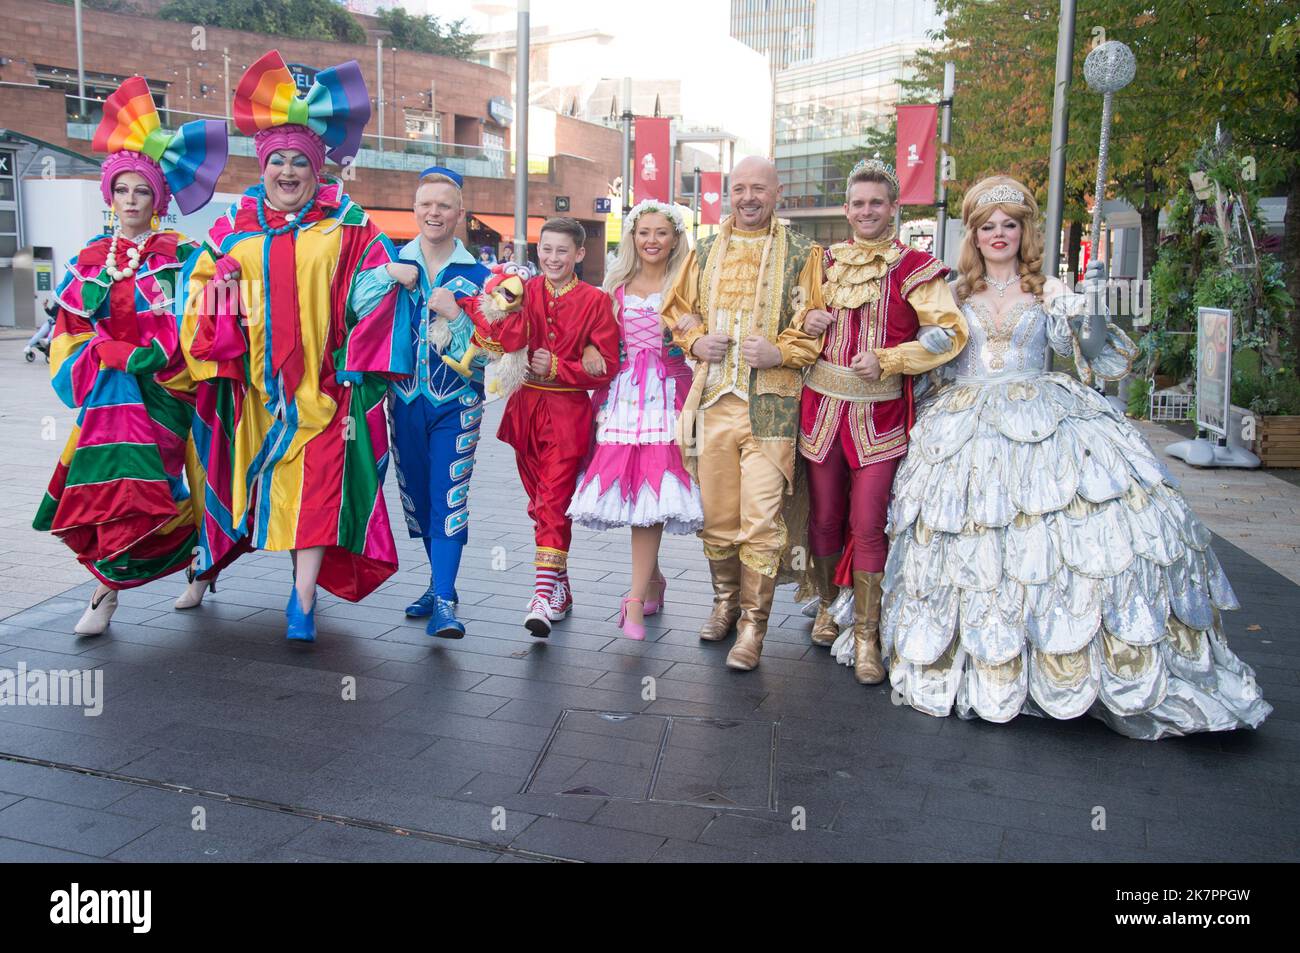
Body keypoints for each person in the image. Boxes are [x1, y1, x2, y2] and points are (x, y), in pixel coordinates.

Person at [881, 175, 1272, 738]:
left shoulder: (1050, 291)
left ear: (1024, 231)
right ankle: (985, 655)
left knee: (1086, 530)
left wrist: (1086, 314)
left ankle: (1085, 656)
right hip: (963, 426)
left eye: (1009, 225)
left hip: (1047, 412)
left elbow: (1087, 355)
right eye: (988, 227)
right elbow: (934, 355)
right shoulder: (952, 295)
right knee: (970, 537)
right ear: (973, 234)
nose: (999, 235)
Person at [178, 50, 410, 643]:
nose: (287, 171)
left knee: (315, 492)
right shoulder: (234, 225)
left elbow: (370, 288)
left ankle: (302, 599)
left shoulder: (348, 223)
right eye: (276, 160)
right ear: (263, 168)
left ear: (316, 169)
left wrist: (391, 284)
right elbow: (199, 296)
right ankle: (214, 569)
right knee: (261, 491)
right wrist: (222, 293)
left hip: (324, 389)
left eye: (298, 162)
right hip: (255, 392)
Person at [33, 76, 227, 634]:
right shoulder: (89, 259)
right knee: (109, 483)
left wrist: (155, 353)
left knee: (155, 485)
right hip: (107, 395)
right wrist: (103, 354)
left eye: (142, 192)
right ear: (110, 195)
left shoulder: (188, 256)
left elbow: (203, 316)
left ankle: (192, 563)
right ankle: (110, 590)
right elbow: (68, 330)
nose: (132, 201)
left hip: (169, 390)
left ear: (159, 199)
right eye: (122, 190)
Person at [798, 159, 967, 685]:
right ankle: (829, 607)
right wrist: (806, 321)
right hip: (822, 408)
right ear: (846, 209)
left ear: (894, 208)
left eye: (877, 202)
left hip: (881, 415)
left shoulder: (916, 266)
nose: (867, 211)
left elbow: (948, 334)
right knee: (824, 518)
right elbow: (792, 329)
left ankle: (867, 634)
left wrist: (892, 358)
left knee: (868, 522)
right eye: (858, 203)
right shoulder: (821, 263)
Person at [662, 156, 825, 671]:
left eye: (759, 188)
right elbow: (678, 308)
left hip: (771, 409)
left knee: (760, 521)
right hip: (712, 403)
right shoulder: (705, 250)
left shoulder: (803, 252)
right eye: (739, 189)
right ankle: (724, 604)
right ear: (728, 194)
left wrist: (780, 352)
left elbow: (815, 321)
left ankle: (755, 626)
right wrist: (694, 338)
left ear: (777, 193)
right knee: (719, 518)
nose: (748, 197)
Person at [351, 166, 491, 638]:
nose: (434, 213)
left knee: (449, 497)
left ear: (459, 214)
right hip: (404, 400)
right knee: (419, 498)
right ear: (414, 210)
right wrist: (391, 274)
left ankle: (446, 600)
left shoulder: (479, 275)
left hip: (458, 403)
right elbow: (354, 303)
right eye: (426, 204)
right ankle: (437, 583)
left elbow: (493, 350)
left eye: (444, 205)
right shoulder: (389, 257)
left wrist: (456, 317)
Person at [464, 218, 619, 637]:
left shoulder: (595, 301)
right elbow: (496, 339)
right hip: (523, 409)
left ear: (579, 255)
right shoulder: (522, 291)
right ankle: (561, 589)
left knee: (552, 503)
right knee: (538, 505)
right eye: (546, 249)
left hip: (567, 415)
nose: (553, 258)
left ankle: (540, 596)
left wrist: (562, 366)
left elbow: (606, 367)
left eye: (562, 251)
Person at [567, 200, 704, 639]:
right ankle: (653, 582)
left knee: (654, 491)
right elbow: (594, 337)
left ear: (675, 238)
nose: (651, 240)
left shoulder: (690, 285)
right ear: (632, 237)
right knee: (639, 494)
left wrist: (695, 326)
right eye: (644, 232)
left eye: (661, 232)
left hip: (671, 394)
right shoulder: (614, 287)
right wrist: (590, 349)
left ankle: (633, 600)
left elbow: (703, 336)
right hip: (624, 398)